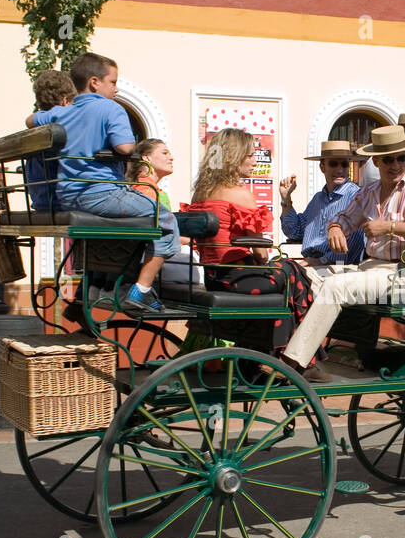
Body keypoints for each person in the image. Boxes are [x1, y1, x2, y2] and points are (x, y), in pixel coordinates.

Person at [281, 125, 405, 374]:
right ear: (377, 161)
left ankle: (293, 363)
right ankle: (306, 350)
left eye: (401, 158)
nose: (396, 165)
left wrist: (390, 227)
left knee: (336, 286)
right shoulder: (369, 191)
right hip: (368, 269)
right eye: (388, 159)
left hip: (404, 275)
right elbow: (344, 219)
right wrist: (335, 227)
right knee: (302, 277)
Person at [26, 52, 163, 312]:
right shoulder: (111, 108)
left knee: (120, 223)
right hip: (98, 192)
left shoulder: (64, 112)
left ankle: (90, 293)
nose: (116, 88)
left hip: (67, 194)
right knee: (163, 219)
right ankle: (140, 291)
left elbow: (30, 120)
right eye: (112, 82)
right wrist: (132, 146)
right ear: (94, 82)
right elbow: (124, 147)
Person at [180, 128, 319, 371]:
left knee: (288, 273)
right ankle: (291, 357)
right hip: (239, 279)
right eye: (251, 156)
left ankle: (264, 353)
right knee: (292, 271)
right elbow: (261, 253)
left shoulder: (200, 193)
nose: (255, 162)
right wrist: (266, 262)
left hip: (214, 277)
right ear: (234, 157)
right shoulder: (240, 195)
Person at [278, 141, 365, 265]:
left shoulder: (356, 196)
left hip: (337, 267)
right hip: (312, 263)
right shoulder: (318, 199)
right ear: (322, 167)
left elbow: (356, 240)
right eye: (334, 164)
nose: (340, 169)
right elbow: (294, 231)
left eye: (344, 164)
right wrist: (286, 199)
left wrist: (321, 261)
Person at [23, 69, 76, 211]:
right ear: (65, 100)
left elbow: (29, 120)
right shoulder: (65, 122)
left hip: (41, 201)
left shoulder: (38, 124)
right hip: (60, 201)